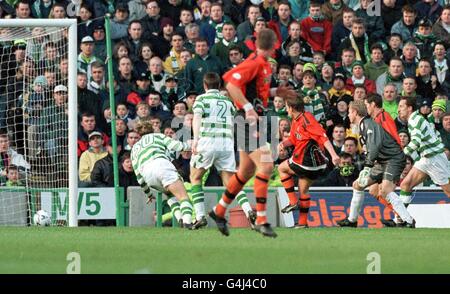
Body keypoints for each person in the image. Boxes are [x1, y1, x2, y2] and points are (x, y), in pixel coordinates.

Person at [209, 28, 296, 237]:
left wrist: (278, 92)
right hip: (246, 121)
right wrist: (247, 107)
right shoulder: (254, 63)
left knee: (245, 172)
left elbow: (258, 92)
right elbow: (230, 84)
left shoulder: (264, 65)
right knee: (266, 166)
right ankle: (261, 219)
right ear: (275, 44)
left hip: (254, 120)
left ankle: (219, 211)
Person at [189, 72, 256, 229]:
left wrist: (196, 139)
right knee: (231, 182)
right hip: (226, 143)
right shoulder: (227, 101)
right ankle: (248, 210)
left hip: (208, 141)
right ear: (219, 86)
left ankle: (199, 216)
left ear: (205, 85)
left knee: (195, 177)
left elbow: (197, 118)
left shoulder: (201, 99)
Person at [337, 100, 416, 228]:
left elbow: (374, 147)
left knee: (385, 190)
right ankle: (352, 221)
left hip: (393, 159)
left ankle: (408, 221)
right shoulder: (362, 126)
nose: (348, 115)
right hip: (381, 161)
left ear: (355, 112)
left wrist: (367, 167)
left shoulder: (368, 125)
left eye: (350, 112)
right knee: (357, 185)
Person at [277, 94, 340, 228]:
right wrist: (284, 143)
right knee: (303, 191)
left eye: (287, 107)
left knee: (281, 168)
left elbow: (322, 136)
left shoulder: (307, 119)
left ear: (292, 108)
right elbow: (294, 139)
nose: (286, 109)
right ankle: (302, 223)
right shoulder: (295, 121)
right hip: (314, 166)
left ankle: (293, 201)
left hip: (306, 161)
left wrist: (334, 155)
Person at [131, 119, 194, 229]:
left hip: (147, 175)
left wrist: (149, 194)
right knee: (183, 196)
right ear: (153, 129)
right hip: (161, 165)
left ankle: (180, 218)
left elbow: (139, 177)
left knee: (170, 194)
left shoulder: (134, 149)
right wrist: (192, 146)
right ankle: (188, 222)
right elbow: (176, 146)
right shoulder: (158, 136)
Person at [399, 96, 450, 205]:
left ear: (409, 108)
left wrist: (400, 155)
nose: (399, 109)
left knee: (449, 191)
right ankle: (402, 220)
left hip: (434, 159)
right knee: (405, 185)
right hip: (426, 158)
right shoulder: (417, 118)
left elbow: (415, 142)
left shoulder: (414, 120)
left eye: (401, 106)